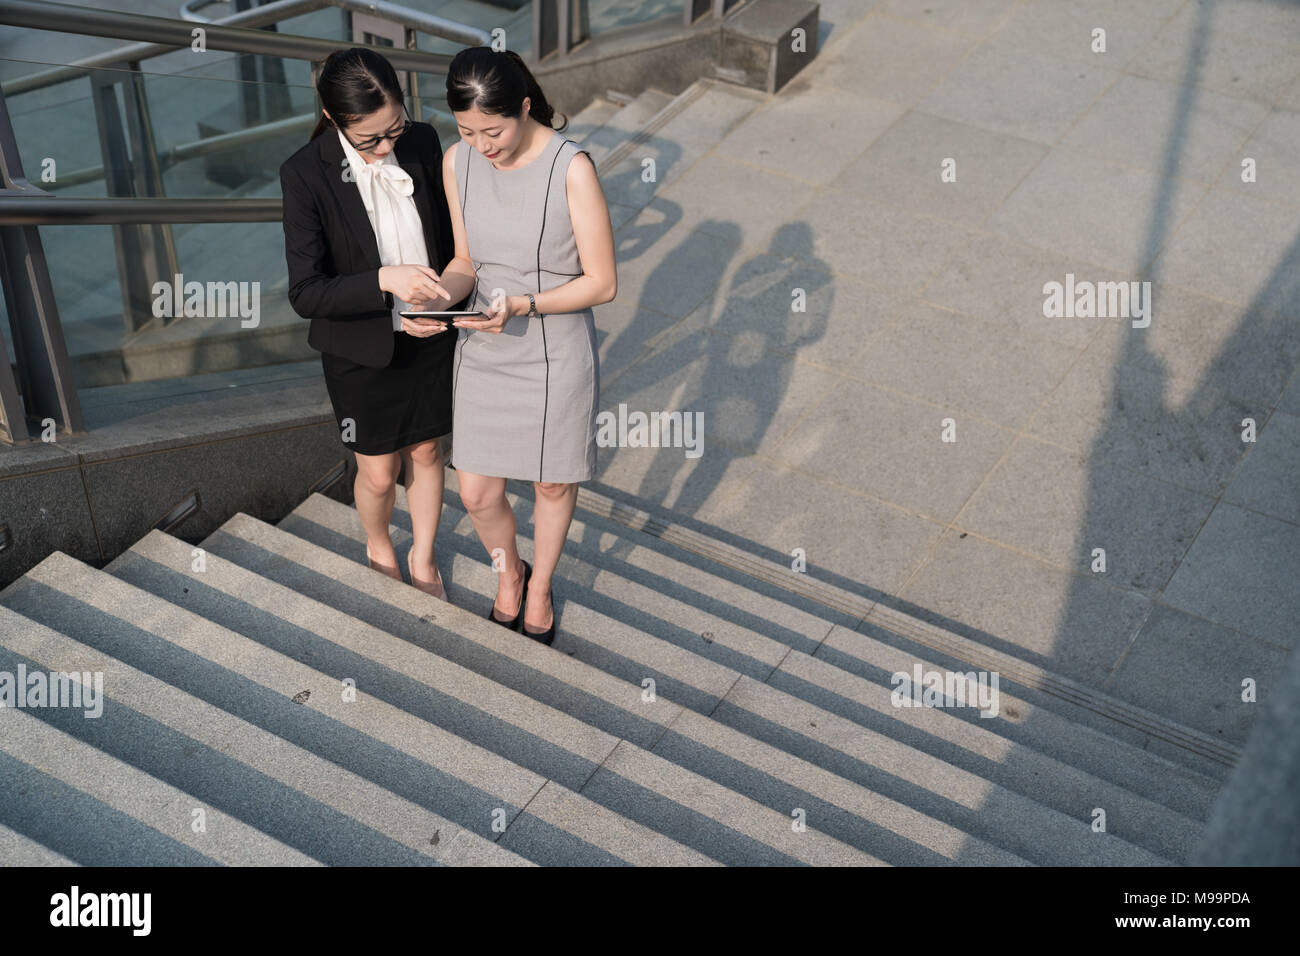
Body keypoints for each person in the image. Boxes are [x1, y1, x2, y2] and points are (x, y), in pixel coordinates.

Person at [279, 47, 477, 599]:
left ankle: (424, 554)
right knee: (378, 473)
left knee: (429, 451)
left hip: (431, 332)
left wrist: (440, 303)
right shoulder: (303, 174)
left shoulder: (422, 141)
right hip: (361, 350)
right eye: (371, 139)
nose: (388, 146)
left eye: (395, 128)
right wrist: (386, 282)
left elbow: (447, 242)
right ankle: (379, 545)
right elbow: (305, 291)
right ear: (334, 118)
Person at [441, 47, 617, 644]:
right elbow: (465, 262)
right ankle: (506, 568)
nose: (481, 145)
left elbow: (602, 282)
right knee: (475, 490)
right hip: (484, 345)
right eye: (467, 131)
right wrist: (440, 295)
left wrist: (524, 304)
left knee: (551, 483)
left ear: (524, 106)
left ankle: (537, 585)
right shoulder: (456, 161)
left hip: (552, 346)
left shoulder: (571, 168)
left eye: (493, 130)